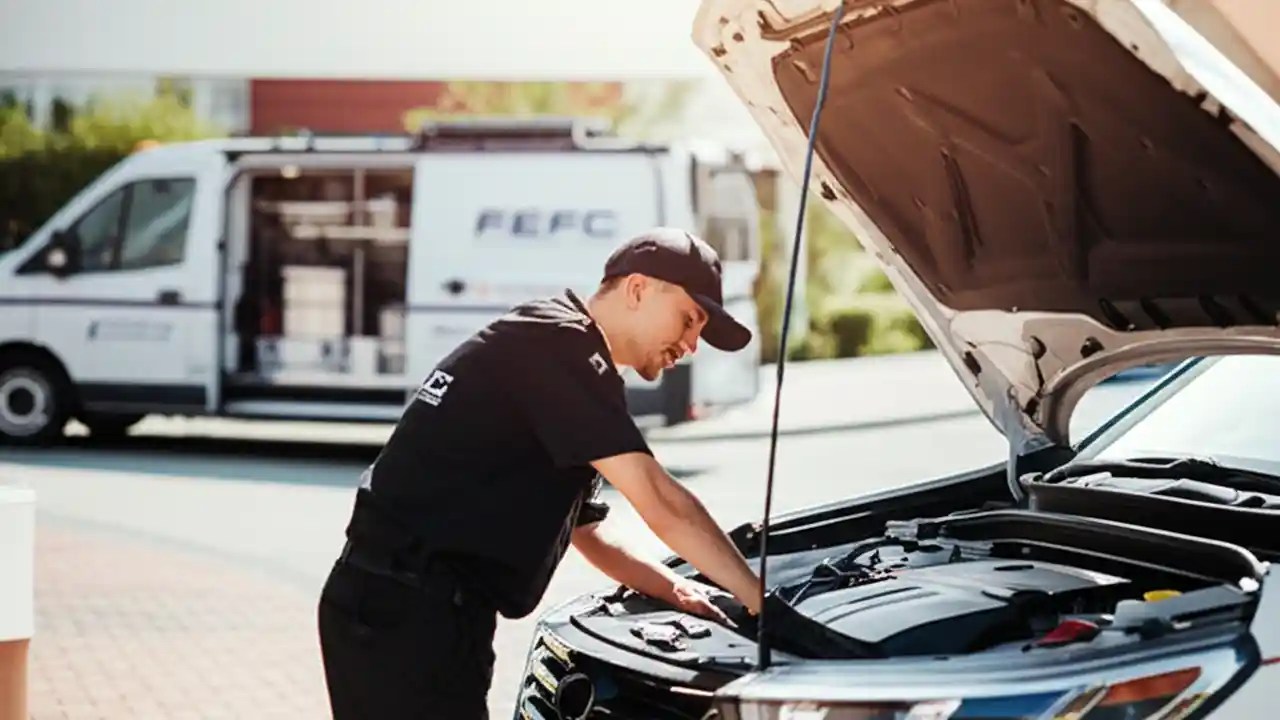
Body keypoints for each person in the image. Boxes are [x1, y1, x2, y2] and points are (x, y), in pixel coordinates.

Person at [316, 227, 763, 719]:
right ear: (638, 289)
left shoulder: (561, 348)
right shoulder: (560, 347)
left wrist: (674, 588)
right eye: (688, 319)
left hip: (415, 610)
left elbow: (588, 529)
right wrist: (765, 606)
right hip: (403, 614)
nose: (692, 344)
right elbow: (660, 499)